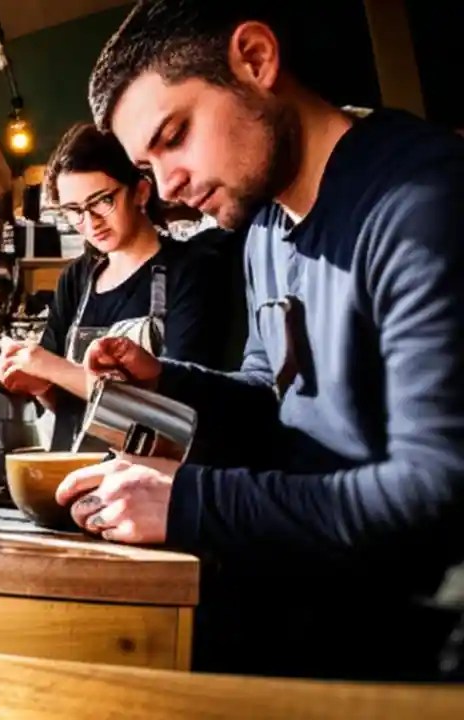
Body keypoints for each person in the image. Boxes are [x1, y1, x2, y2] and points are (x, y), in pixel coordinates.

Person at [54, 0, 464, 680]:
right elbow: (269, 398)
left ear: (255, 59)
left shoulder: (421, 201)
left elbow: (437, 492)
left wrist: (186, 501)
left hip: (420, 639)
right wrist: (165, 379)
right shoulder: (265, 233)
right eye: (148, 167)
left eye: (175, 135)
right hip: (316, 593)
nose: (170, 186)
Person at [0, 122, 238, 453]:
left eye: (101, 201)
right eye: (74, 211)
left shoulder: (192, 269)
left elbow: (182, 406)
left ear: (140, 191)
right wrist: (41, 386)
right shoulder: (75, 280)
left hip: (151, 478)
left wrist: (52, 367)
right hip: (72, 472)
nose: (90, 222)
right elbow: (65, 408)